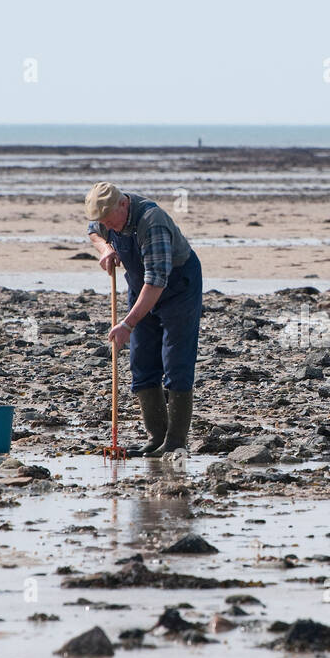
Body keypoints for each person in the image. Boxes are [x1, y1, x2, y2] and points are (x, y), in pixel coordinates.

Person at [84, 182, 203, 458]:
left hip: (177, 287)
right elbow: (93, 231)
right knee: (141, 359)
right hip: (141, 287)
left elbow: (157, 282)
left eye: (111, 221)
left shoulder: (153, 222)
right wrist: (105, 249)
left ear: (123, 205)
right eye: (104, 222)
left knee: (176, 360)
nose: (108, 227)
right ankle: (156, 437)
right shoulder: (106, 219)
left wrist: (127, 323)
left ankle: (175, 442)